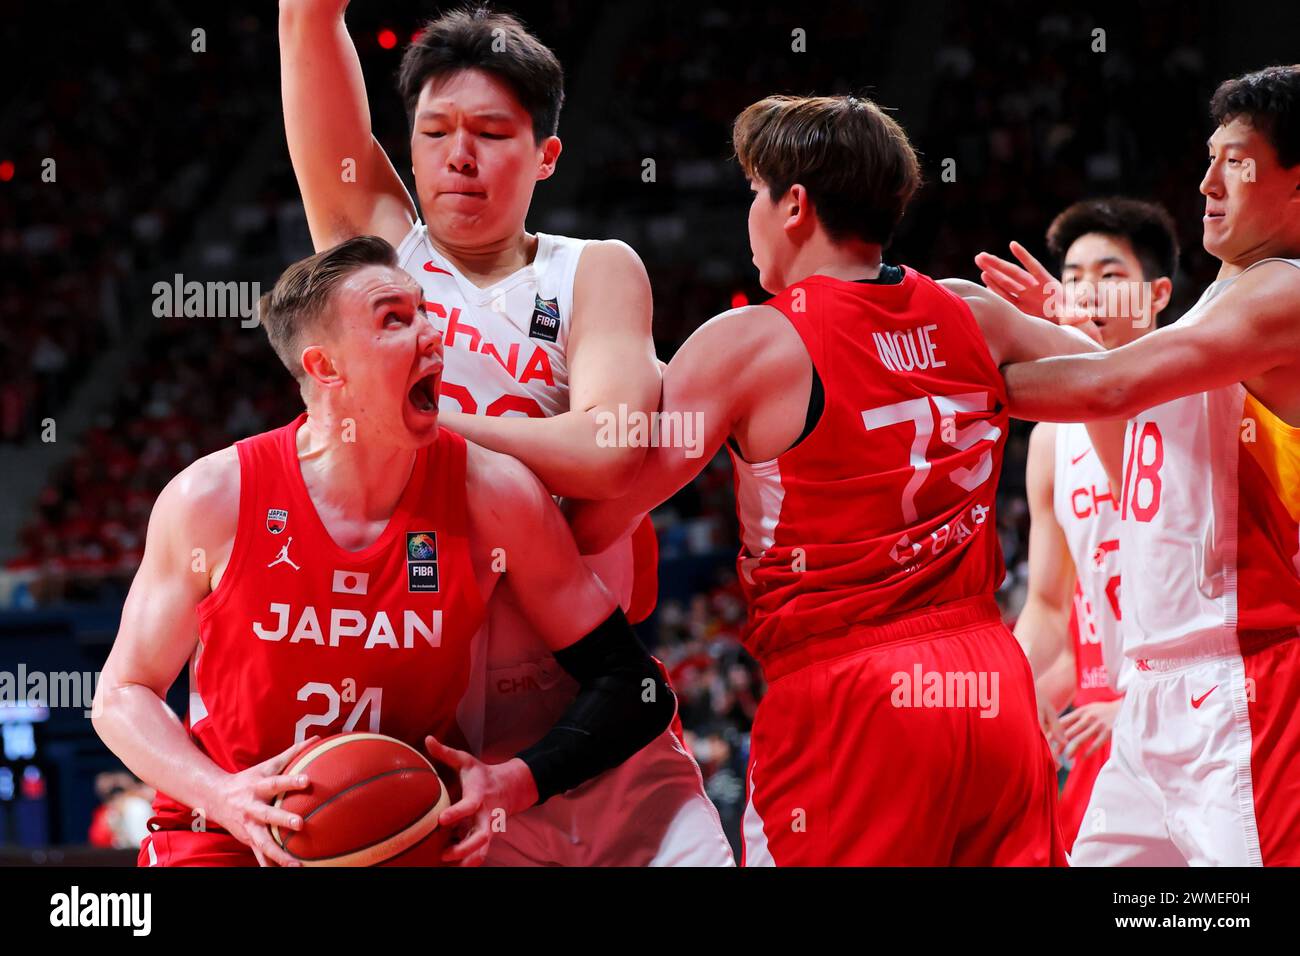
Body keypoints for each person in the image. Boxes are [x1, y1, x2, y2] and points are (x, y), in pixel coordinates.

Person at [569, 93, 1105, 865]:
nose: (747, 210)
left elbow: (597, 514)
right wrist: (1069, 314)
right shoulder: (970, 311)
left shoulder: (749, 343)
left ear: (794, 205)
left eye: (755, 190)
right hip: (990, 678)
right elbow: (1114, 386)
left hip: (851, 696)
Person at [278, 0, 731, 866]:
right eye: (436, 129)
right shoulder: (379, 261)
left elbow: (609, 449)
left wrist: (417, 417)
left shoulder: (595, 268)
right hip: (450, 760)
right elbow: (305, 23)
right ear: (407, 145)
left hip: (602, 727)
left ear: (545, 154)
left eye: (490, 132)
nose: (459, 155)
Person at [92, 237, 676, 867]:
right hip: (227, 834)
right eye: (394, 320)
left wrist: (516, 779)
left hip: (402, 835)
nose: (432, 333)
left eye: (426, 312)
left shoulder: (494, 495)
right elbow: (122, 694)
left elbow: (632, 683)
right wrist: (225, 794)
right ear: (325, 368)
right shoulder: (212, 497)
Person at [1001, 65, 1300, 866]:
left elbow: (1111, 385)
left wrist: (943, 368)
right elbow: (1120, 427)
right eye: (1206, 157)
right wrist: (1063, 337)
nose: (1205, 181)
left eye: (1234, 162)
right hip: (1155, 685)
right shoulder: (1220, 304)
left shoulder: (1282, 296)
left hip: (1250, 680)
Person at [980, 198, 1178, 850]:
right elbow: (1049, 608)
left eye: (1110, 276)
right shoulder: (1050, 441)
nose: (1087, 291)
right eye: (1074, 275)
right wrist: (1011, 690)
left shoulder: (1197, 399)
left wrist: (1145, 701)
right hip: (1102, 720)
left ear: (1157, 297)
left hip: (1201, 703)